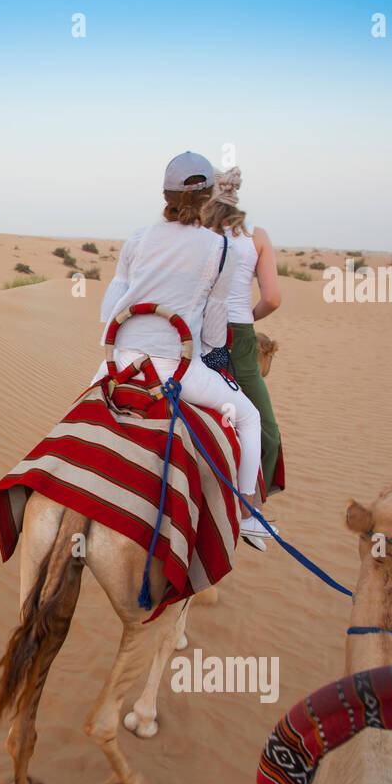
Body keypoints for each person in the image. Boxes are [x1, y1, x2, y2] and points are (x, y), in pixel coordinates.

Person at [94, 152, 273, 545]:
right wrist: (211, 352)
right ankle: (248, 516)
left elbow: (110, 310)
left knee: (80, 409)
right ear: (209, 196)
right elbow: (212, 328)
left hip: (119, 360)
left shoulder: (138, 238)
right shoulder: (219, 248)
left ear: (165, 194)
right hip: (176, 367)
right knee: (249, 418)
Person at [202, 168, 283, 495]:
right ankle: (252, 505)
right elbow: (273, 299)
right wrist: (247, 318)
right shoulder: (256, 236)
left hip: (196, 333)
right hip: (239, 338)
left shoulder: (198, 233)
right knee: (265, 428)